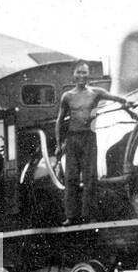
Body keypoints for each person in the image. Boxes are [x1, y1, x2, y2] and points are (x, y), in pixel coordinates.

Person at [55, 62, 132, 226]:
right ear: (74, 75)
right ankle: (71, 215)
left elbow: (117, 98)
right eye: (79, 73)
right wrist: (58, 144)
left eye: (85, 73)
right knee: (71, 178)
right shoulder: (67, 96)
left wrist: (127, 104)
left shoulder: (96, 93)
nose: (82, 76)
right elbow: (59, 120)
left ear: (88, 75)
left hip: (89, 138)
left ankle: (89, 214)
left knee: (90, 177)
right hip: (72, 139)